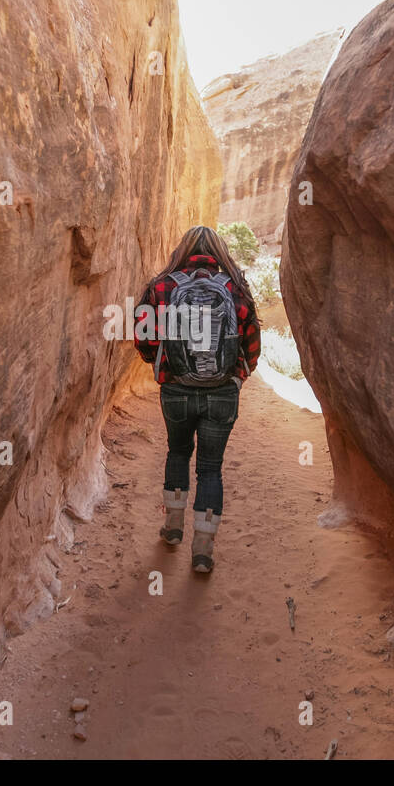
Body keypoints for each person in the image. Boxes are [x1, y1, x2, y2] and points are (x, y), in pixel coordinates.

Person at [133, 225, 260, 573]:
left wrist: (163, 364)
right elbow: (252, 348)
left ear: (182, 250)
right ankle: (202, 551)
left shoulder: (161, 287)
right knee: (210, 468)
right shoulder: (235, 288)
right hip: (221, 394)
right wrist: (235, 378)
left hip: (175, 391)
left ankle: (173, 528)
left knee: (177, 452)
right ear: (217, 253)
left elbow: (143, 337)